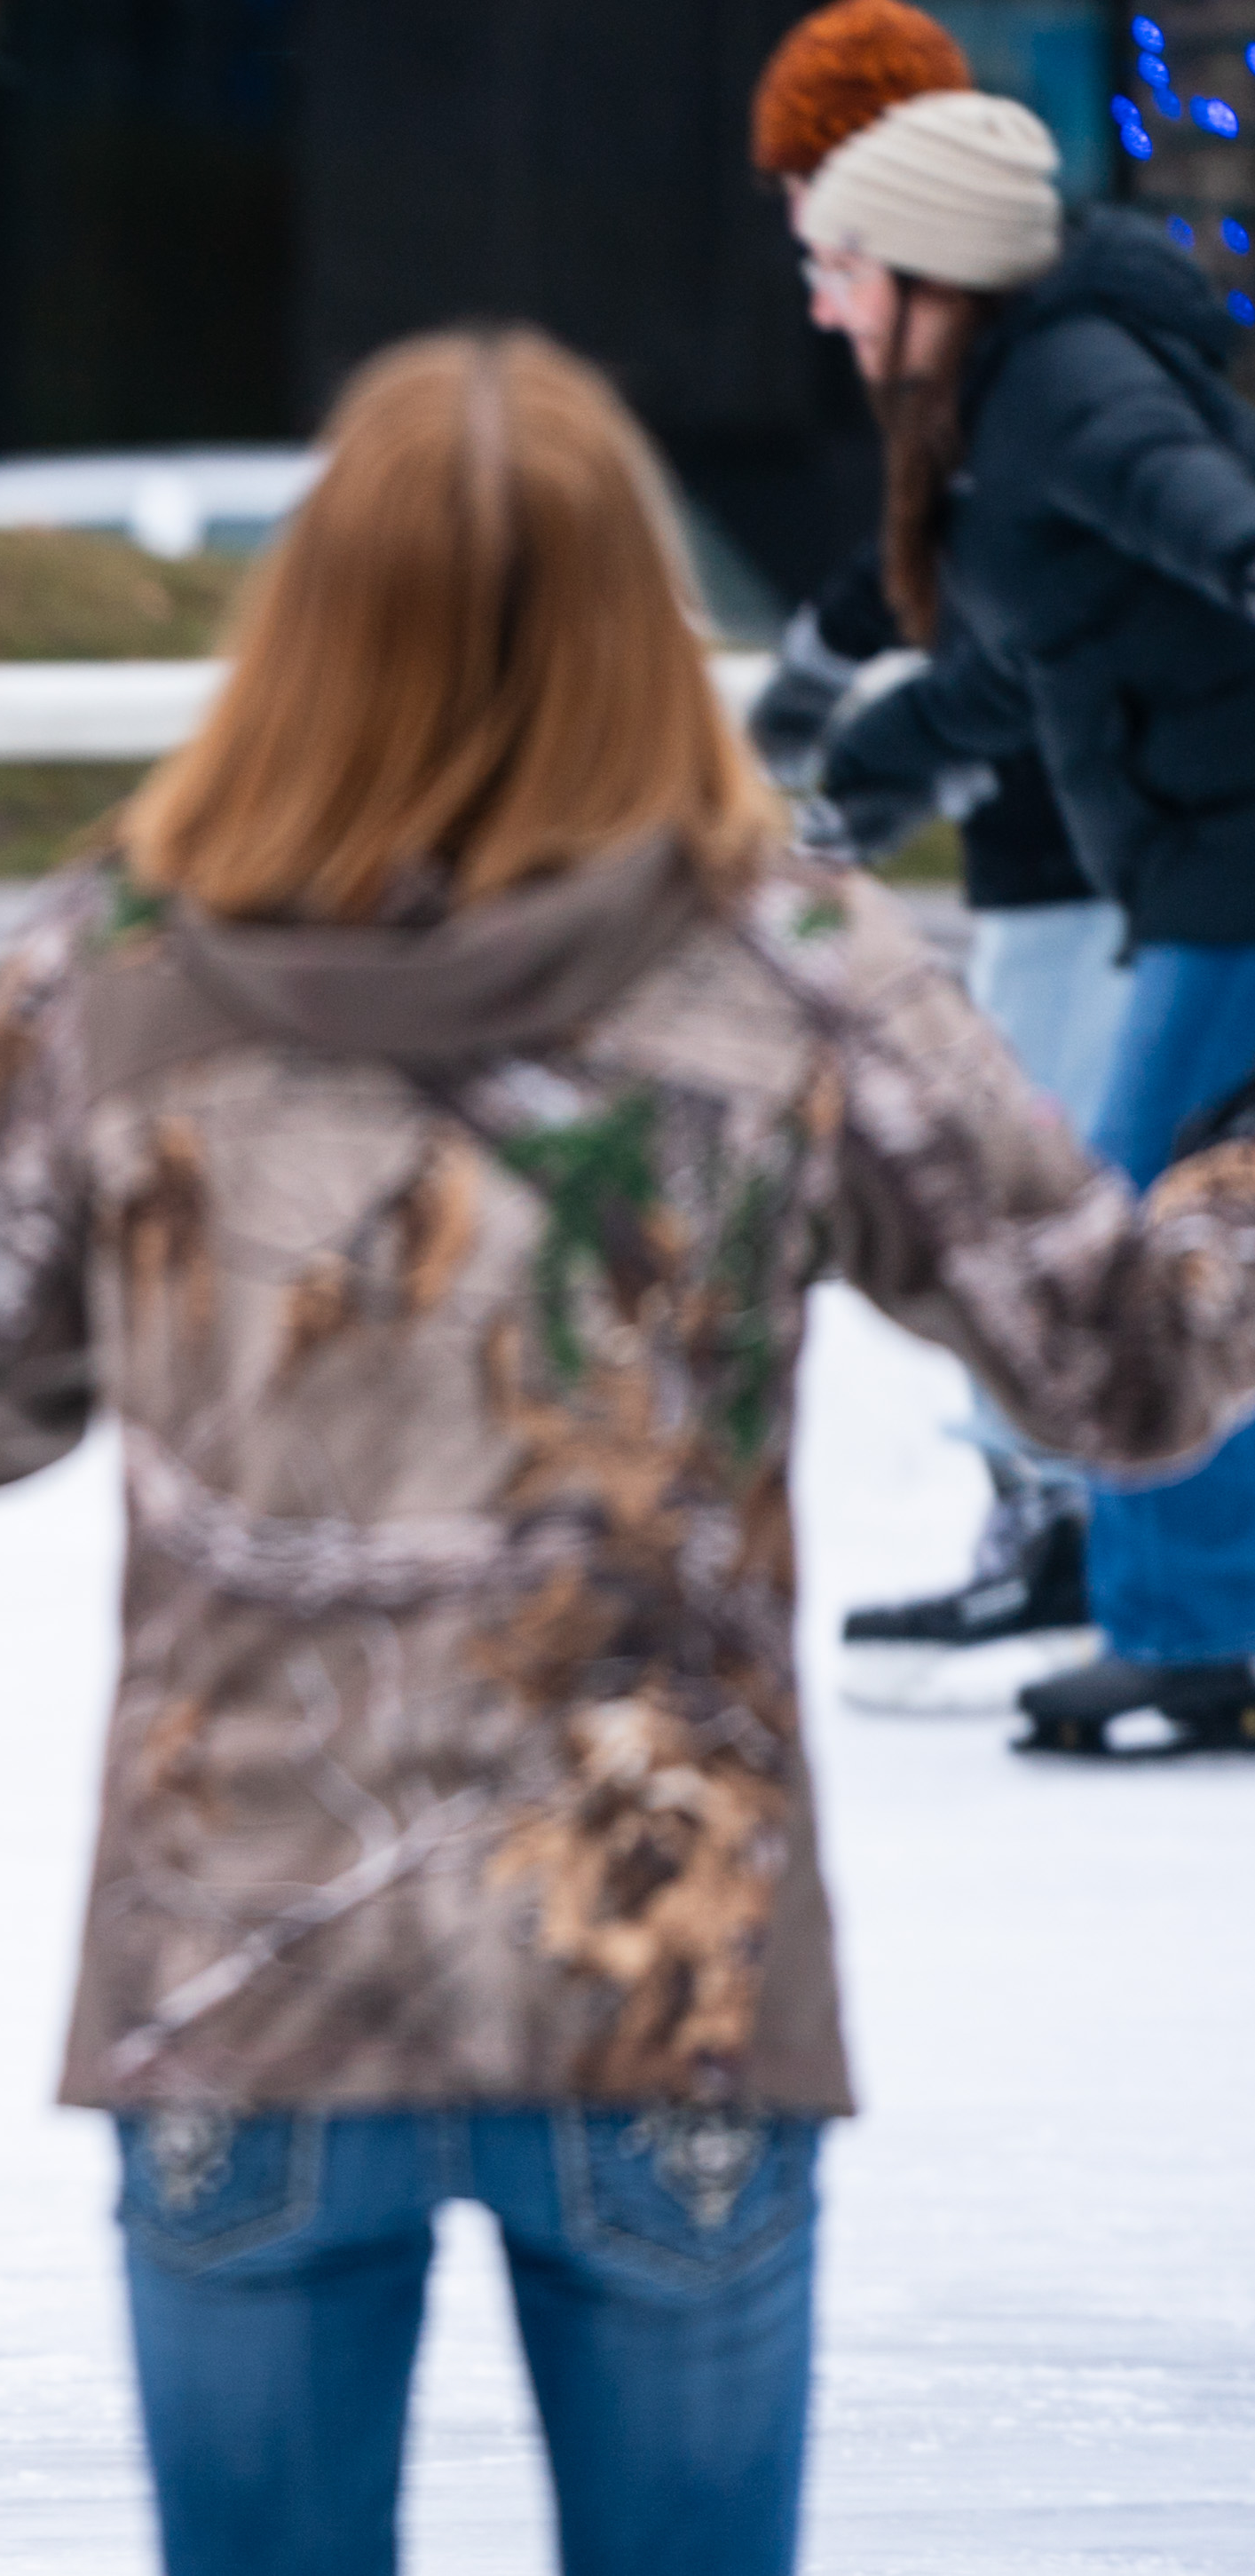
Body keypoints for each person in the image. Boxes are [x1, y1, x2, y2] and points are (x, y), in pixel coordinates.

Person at [0, 328, 1255, 2576]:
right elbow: (1120, 1378)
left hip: (241, 1970)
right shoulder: (783, 966)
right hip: (651, 1962)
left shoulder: (114, 960)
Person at [798, 93, 1255, 1751]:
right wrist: (871, 766)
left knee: (1136, 1232)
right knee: (1156, 1223)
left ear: (932, 270)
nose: (818, 304)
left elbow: (1210, 518)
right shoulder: (1011, 399)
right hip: (1202, 868)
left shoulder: (1069, 395)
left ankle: (1202, 1628)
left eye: (837, 265)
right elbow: (1037, 653)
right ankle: (1199, 1614)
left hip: (1235, 869)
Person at [741, 1, 1131, 1705]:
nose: (807, 267)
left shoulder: (1019, 341)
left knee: (1046, 1172)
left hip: (1090, 842)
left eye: (813, 204)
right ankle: (1050, 1513)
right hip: (1055, 836)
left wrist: (862, 735)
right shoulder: (962, 336)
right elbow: (913, 560)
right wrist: (813, 688)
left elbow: (1004, 597)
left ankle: (1065, 1524)